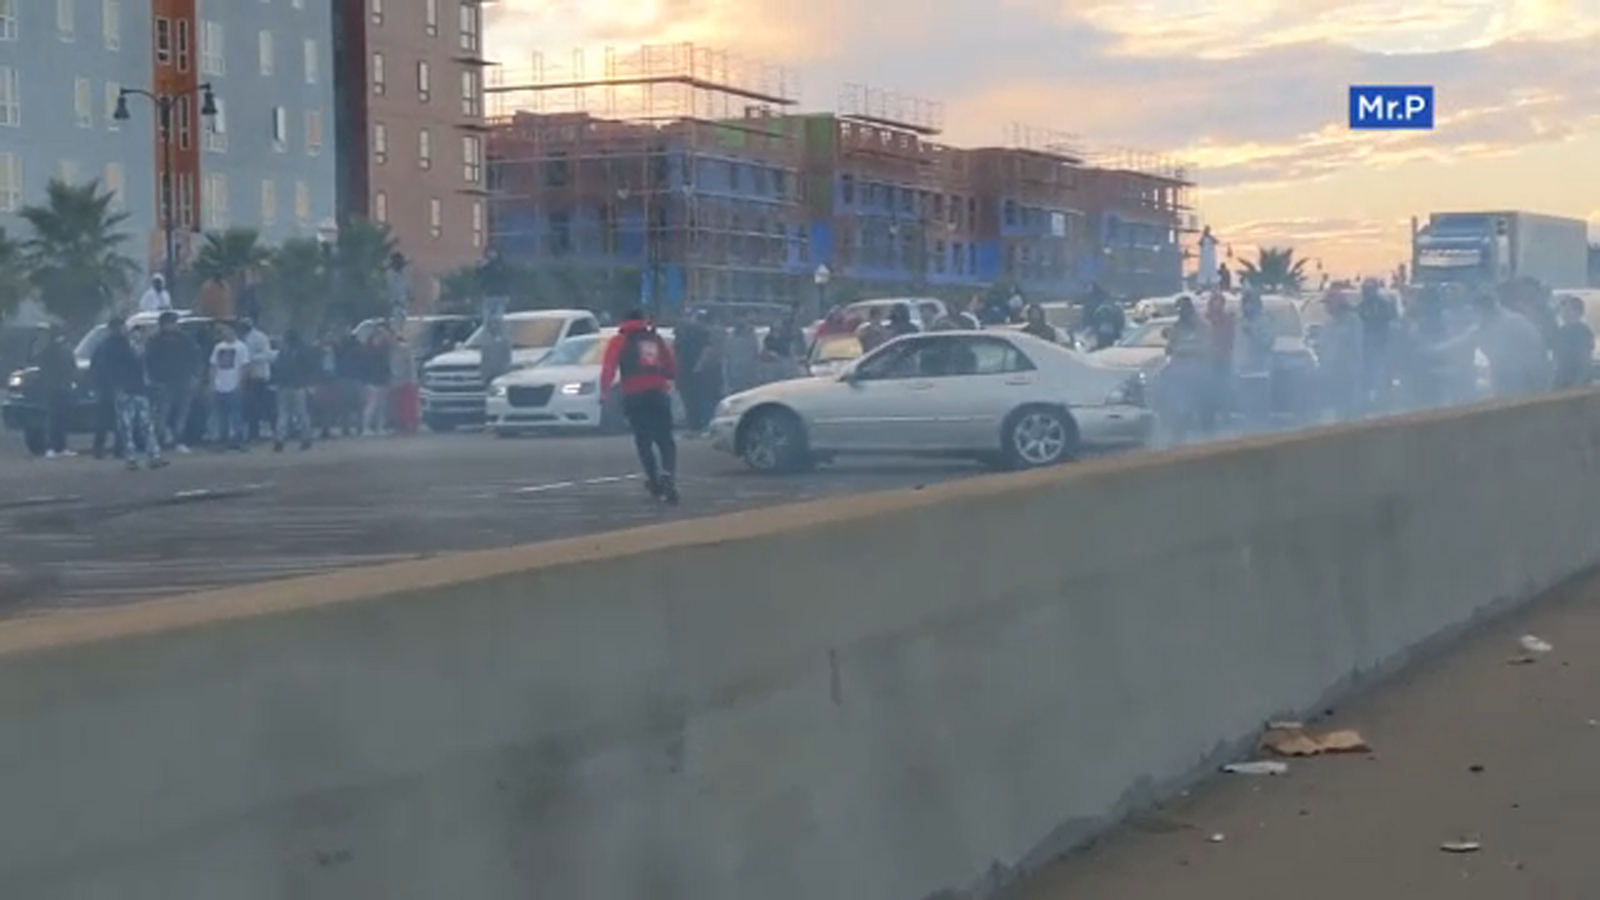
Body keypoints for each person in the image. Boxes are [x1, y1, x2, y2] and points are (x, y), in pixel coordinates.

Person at [600, 309, 680, 504]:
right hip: (658, 393)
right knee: (666, 440)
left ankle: (653, 479)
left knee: (643, 441)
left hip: (634, 396)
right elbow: (671, 368)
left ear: (623, 321)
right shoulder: (655, 339)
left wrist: (605, 393)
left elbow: (609, 368)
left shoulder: (619, 341)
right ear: (643, 320)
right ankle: (668, 474)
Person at [95, 318, 166, 470]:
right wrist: (116, 386)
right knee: (128, 426)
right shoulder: (115, 347)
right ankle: (135, 456)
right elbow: (111, 369)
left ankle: (151, 455)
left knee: (143, 424)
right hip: (126, 390)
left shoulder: (134, 348)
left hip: (137, 390)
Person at [144, 311, 200, 453]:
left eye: (174, 323)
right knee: (163, 413)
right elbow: (149, 362)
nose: (172, 326)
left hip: (183, 380)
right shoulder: (154, 341)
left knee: (182, 412)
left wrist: (194, 376)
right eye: (169, 323)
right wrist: (154, 379)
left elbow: (194, 357)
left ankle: (179, 439)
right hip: (163, 382)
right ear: (162, 325)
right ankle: (161, 440)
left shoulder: (185, 339)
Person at [1160, 295, 1210, 442]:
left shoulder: (1202, 326)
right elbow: (1169, 348)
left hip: (1198, 374)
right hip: (1179, 376)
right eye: (1179, 310)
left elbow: (1206, 348)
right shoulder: (1177, 327)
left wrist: (1183, 349)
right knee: (1178, 411)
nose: (1181, 313)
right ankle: (1178, 440)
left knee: (1201, 412)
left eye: (1183, 309)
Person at [272, 329, 319, 451]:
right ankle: (306, 438)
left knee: (283, 414)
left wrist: (277, 382)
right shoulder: (303, 351)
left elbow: (277, 367)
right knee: (302, 413)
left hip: (284, 386)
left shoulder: (283, 352)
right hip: (298, 386)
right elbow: (310, 368)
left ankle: (280, 439)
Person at [1235, 292, 1277, 428]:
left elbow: (1268, 343)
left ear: (1257, 305)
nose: (1247, 307)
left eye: (1250, 303)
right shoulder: (1240, 322)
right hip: (1243, 373)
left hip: (1261, 373)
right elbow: (1237, 346)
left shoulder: (1265, 321)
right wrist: (1235, 366)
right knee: (1247, 411)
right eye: (1245, 303)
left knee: (1261, 412)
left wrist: (1252, 334)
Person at [35, 326, 78, 458]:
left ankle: (61, 447)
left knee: (61, 418)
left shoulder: (64, 349)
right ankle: (52, 447)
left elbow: (72, 366)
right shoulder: (51, 350)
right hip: (55, 388)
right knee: (54, 419)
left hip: (61, 387)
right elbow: (44, 366)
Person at [209, 322, 251, 451]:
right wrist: (212, 382)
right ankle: (223, 440)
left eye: (227, 330)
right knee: (221, 415)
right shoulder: (218, 347)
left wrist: (241, 382)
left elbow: (245, 366)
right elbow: (213, 365)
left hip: (234, 384)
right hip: (220, 385)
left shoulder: (241, 347)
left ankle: (238, 440)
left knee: (236, 414)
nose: (224, 333)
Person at [237, 319, 277, 442]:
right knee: (249, 407)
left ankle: (267, 431)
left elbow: (267, 354)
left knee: (261, 406)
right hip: (246, 377)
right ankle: (252, 432)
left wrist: (250, 358)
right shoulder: (241, 338)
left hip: (259, 376)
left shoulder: (260, 337)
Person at [1551, 295, 1595, 390]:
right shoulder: (1560, 332)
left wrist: (1578, 385)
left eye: (1568, 309)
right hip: (1561, 382)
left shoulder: (1583, 332)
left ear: (1578, 312)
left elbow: (1585, 361)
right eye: (1562, 309)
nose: (1564, 312)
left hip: (1578, 384)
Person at [360, 326, 393, 436]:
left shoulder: (383, 351)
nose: (380, 339)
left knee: (382, 406)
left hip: (381, 381)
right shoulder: (370, 352)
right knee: (372, 405)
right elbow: (368, 368)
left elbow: (385, 367)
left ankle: (380, 427)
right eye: (379, 337)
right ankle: (366, 427)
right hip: (372, 382)